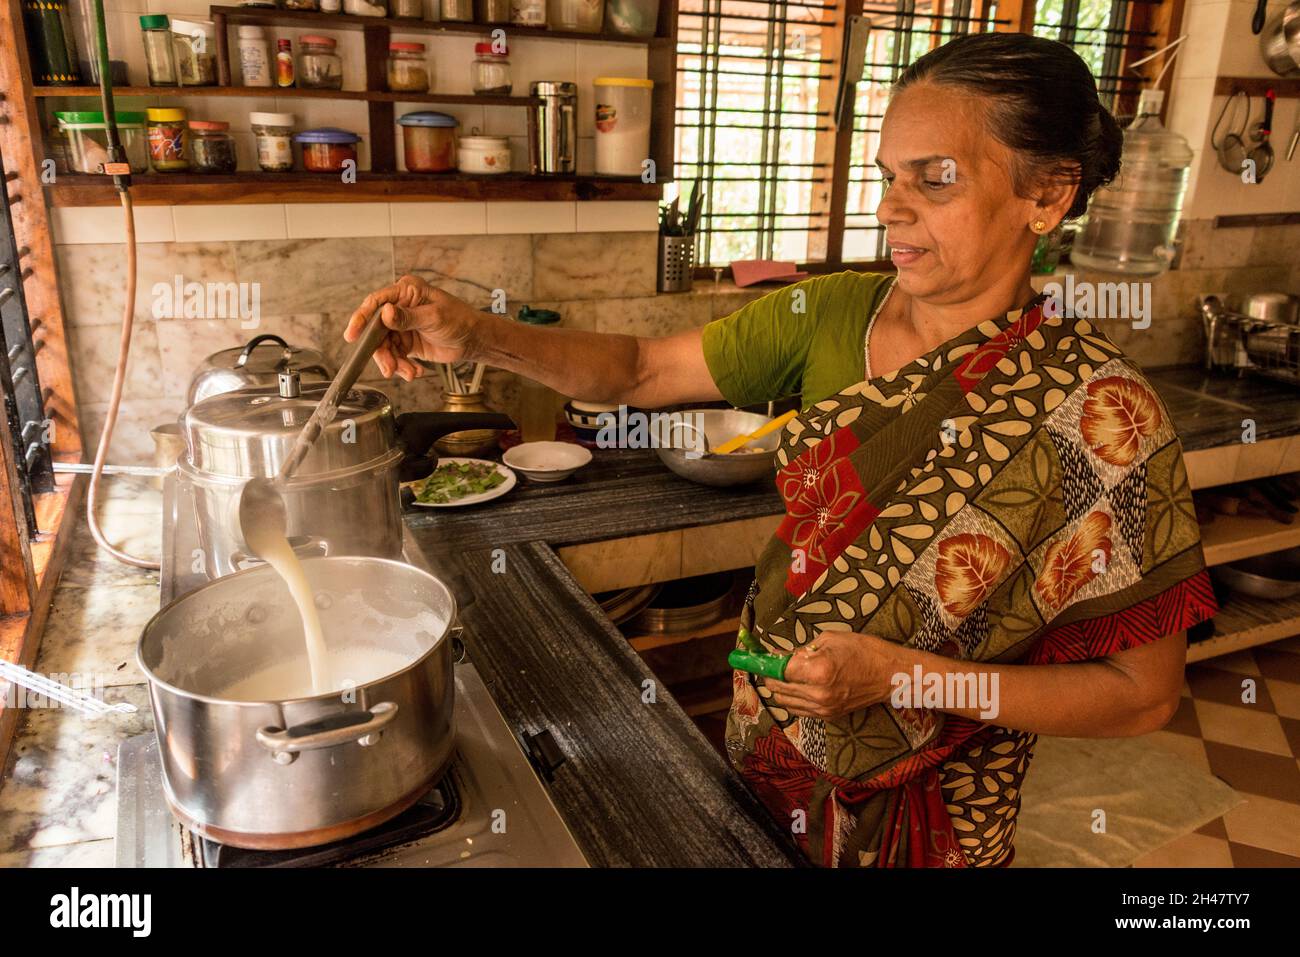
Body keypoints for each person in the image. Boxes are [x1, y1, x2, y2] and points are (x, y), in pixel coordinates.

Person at [346, 32, 1217, 867]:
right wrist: (476, 335)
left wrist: (907, 680)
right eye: (886, 177)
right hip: (772, 734)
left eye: (935, 179)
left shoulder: (1102, 412)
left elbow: (1142, 695)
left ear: (1049, 194)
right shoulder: (829, 312)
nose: (889, 208)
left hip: (943, 800)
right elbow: (643, 369)